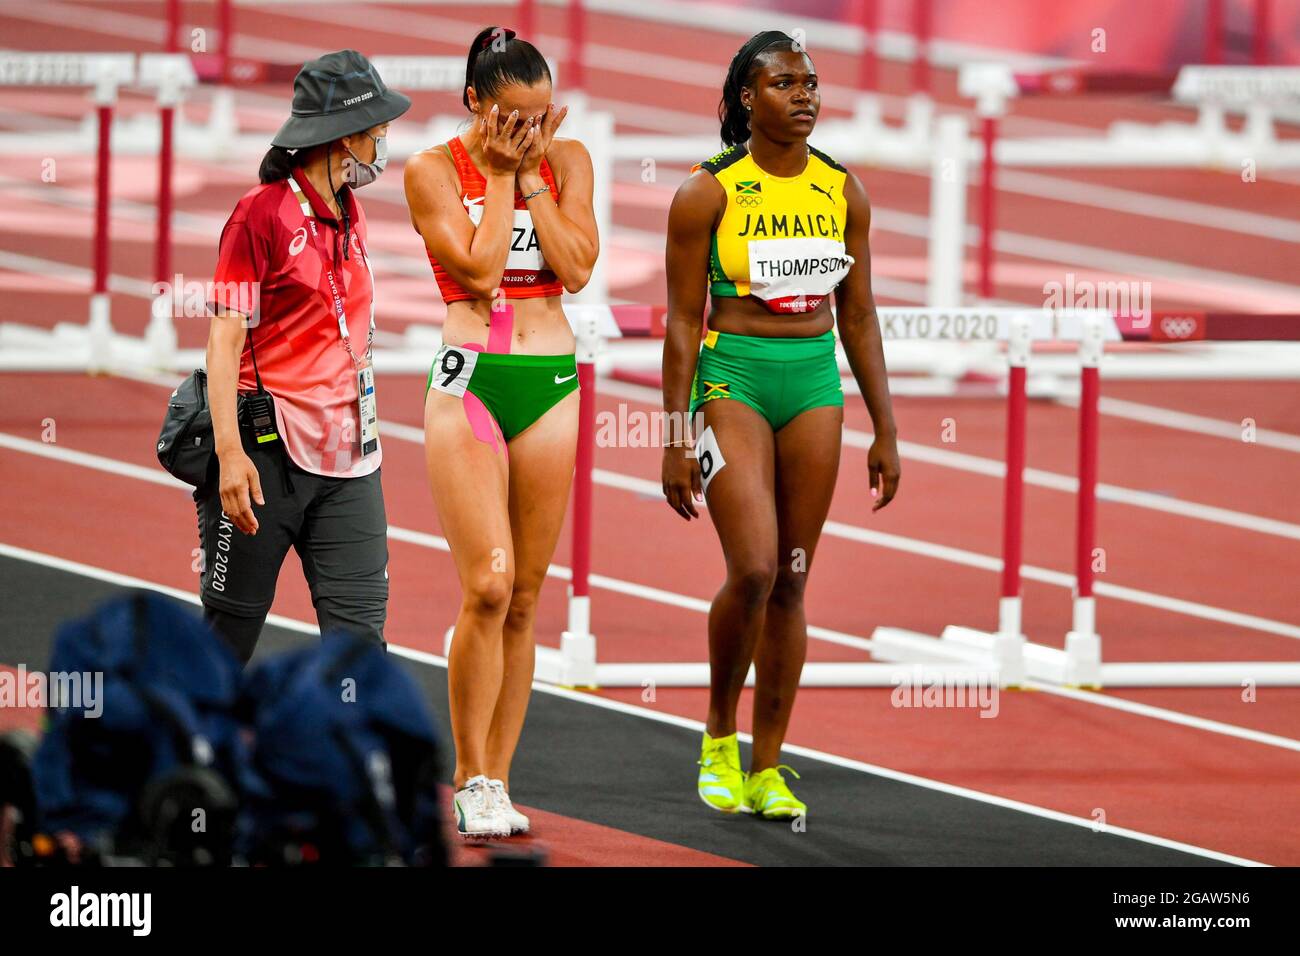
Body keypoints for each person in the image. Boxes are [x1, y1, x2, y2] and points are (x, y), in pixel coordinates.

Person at [661, 31, 901, 819]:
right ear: (743, 100)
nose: (804, 95)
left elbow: (858, 316)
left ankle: (768, 766)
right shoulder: (708, 192)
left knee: (793, 581)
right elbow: (679, 323)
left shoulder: (841, 189)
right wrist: (673, 437)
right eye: (784, 83)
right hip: (733, 377)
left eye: (811, 83)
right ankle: (717, 736)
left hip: (814, 383)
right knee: (756, 567)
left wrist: (886, 428)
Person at [404, 26, 598, 838]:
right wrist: (496, 176)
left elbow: (579, 267)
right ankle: (466, 773)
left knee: (523, 597)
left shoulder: (569, 159)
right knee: (485, 581)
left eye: (544, 115)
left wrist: (535, 182)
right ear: (476, 103)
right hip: (470, 378)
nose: (534, 130)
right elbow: (479, 274)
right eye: (515, 116)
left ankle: (499, 781)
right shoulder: (432, 170)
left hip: (550, 381)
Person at [199, 50, 410, 665]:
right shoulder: (259, 215)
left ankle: (348, 764)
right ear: (345, 138)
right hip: (266, 459)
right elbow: (223, 338)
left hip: (351, 461)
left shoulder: (351, 209)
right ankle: (186, 760)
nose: (384, 144)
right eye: (378, 133)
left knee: (359, 652)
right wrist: (230, 455)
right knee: (225, 646)